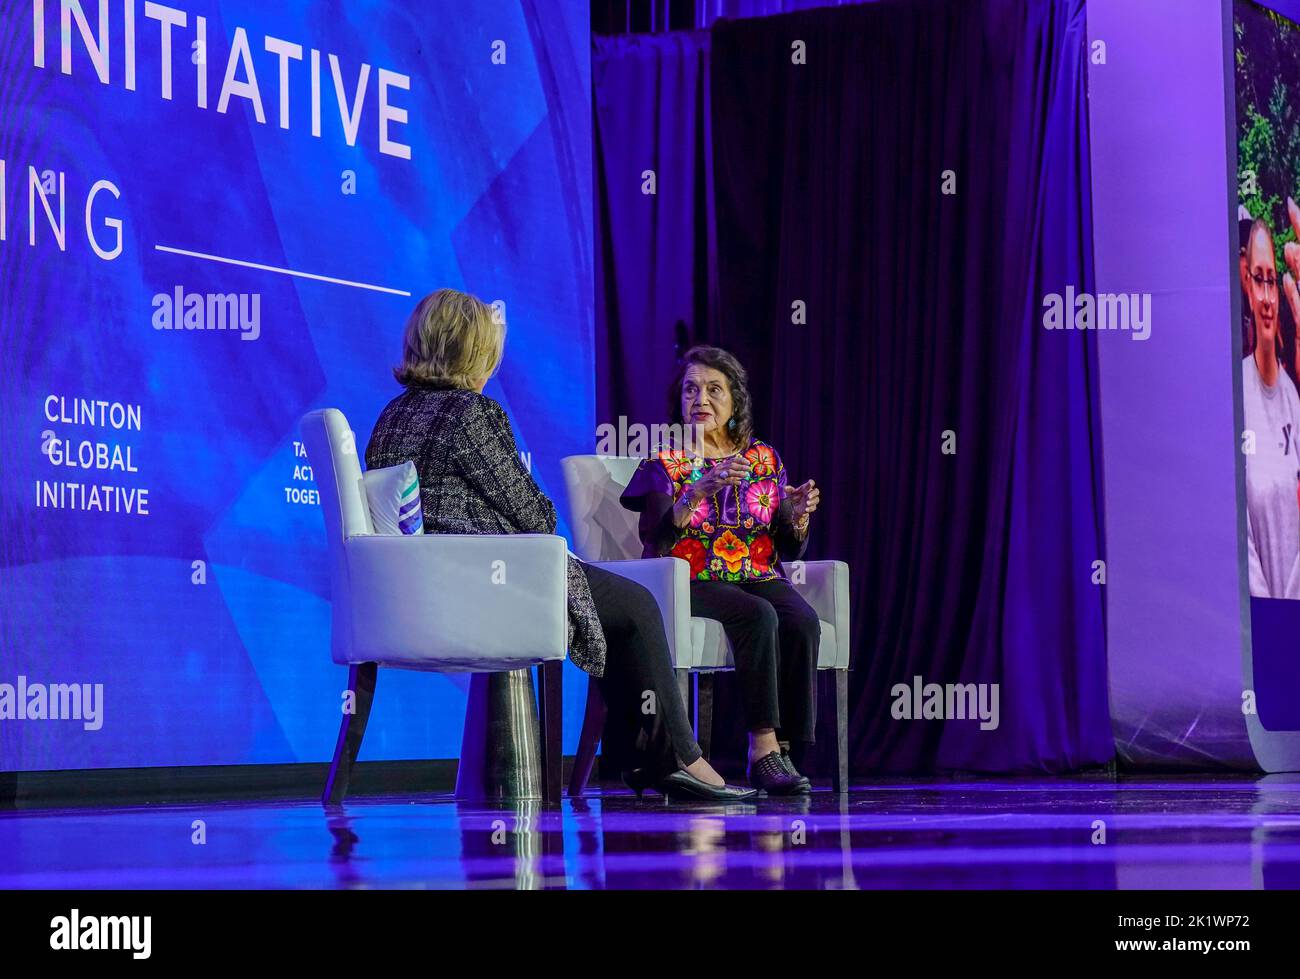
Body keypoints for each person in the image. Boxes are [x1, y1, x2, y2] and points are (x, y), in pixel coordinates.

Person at [365, 289, 754, 801]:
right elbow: (537, 514)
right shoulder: (471, 413)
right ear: (474, 350)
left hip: (425, 590)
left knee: (621, 603)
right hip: (486, 582)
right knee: (637, 604)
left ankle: (652, 757)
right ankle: (678, 757)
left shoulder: (392, 415)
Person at [621, 345, 822, 794]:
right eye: (691, 390)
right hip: (686, 579)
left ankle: (786, 749)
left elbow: (788, 547)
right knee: (757, 614)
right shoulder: (665, 464)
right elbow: (654, 537)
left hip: (758, 573)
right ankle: (762, 749)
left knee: (803, 621)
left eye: (714, 389)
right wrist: (693, 494)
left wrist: (795, 514)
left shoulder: (764, 460)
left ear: (735, 403)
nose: (701, 399)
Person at [1242, 219, 1300, 598]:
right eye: (1258, 279)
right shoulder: (1234, 396)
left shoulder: (1293, 399)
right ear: (1247, 285)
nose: (1266, 297)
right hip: (1259, 627)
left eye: (1271, 281)